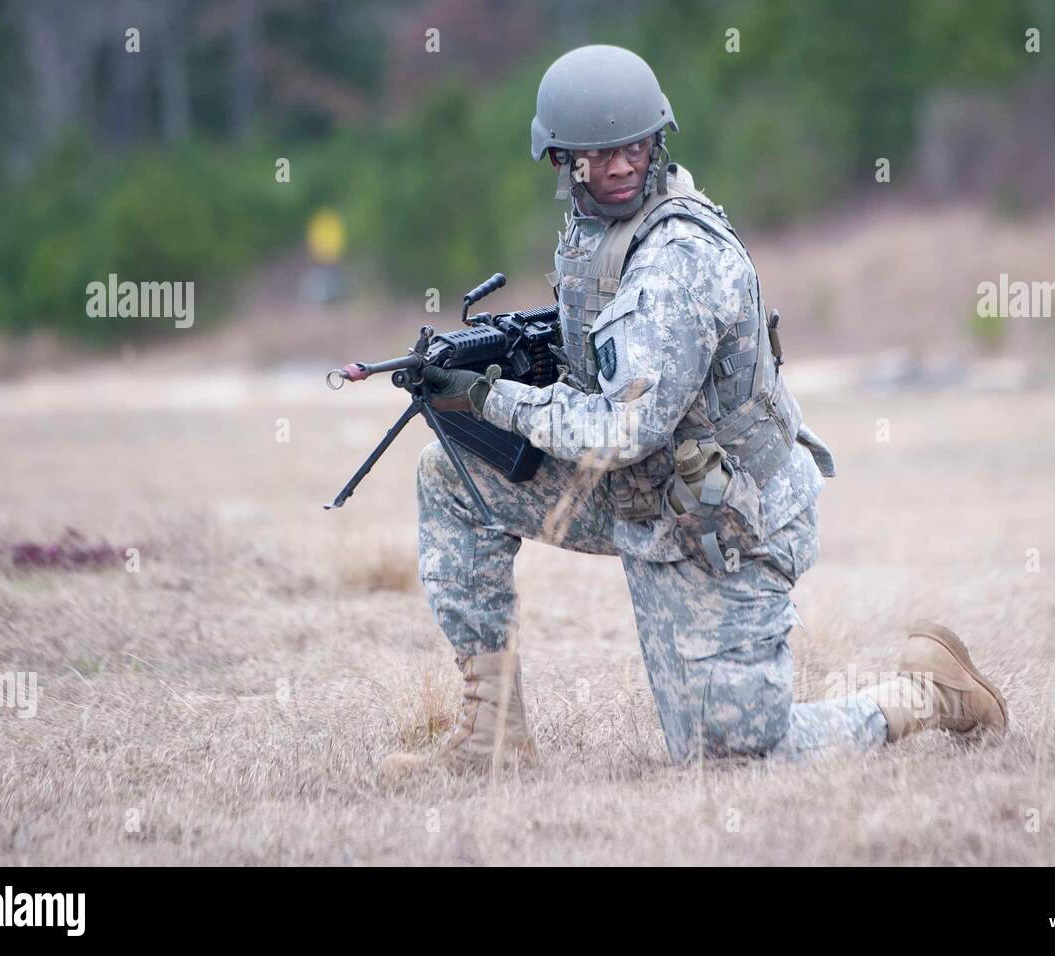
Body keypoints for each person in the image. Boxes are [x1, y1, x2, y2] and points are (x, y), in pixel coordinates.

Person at [380, 45, 1006, 777]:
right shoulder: (597, 236)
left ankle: (926, 693)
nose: (618, 166)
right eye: (595, 155)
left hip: (723, 522)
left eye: (633, 147)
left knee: (732, 760)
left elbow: (621, 428)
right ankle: (494, 741)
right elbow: (604, 360)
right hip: (645, 494)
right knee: (453, 473)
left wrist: (491, 396)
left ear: (658, 142)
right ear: (560, 162)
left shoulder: (678, 261)